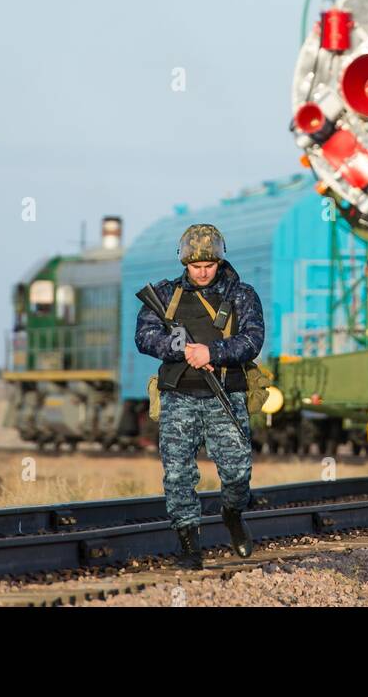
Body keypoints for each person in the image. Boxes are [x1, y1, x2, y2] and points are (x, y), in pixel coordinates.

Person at [135, 223, 264, 570]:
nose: (203, 272)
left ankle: (233, 513)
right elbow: (145, 336)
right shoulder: (166, 295)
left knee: (237, 474)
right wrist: (179, 348)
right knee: (178, 475)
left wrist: (212, 352)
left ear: (220, 261)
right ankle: (190, 547)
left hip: (226, 395)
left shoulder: (242, 295)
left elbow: (253, 340)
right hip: (179, 397)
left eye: (209, 265)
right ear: (184, 263)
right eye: (196, 266)